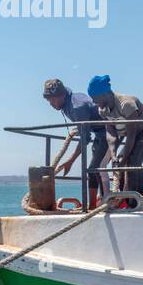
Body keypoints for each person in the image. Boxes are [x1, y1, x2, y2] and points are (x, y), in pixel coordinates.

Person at [87, 75, 143, 197]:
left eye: (94, 98)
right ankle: (125, 198)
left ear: (104, 94)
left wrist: (123, 160)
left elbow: (131, 135)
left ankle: (136, 200)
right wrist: (113, 156)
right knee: (119, 161)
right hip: (137, 136)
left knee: (132, 160)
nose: (93, 102)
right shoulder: (103, 110)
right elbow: (111, 133)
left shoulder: (126, 104)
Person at [42, 78, 110, 206]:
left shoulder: (76, 106)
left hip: (110, 132)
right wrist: (80, 129)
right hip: (99, 134)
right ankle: (95, 204)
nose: (51, 103)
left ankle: (94, 206)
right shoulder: (69, 102)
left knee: (93, 169)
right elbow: (87, 125)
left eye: (53, 99)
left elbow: (85, 138)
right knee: (94, 169)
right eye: (48, 100)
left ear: (62, 96)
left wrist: (70, 161)